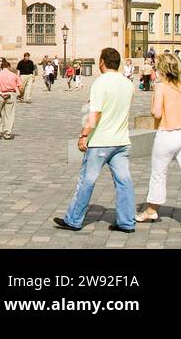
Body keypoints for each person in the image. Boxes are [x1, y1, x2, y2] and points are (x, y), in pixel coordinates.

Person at [55, 46, 135, 234]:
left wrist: (84, 134)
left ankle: (74, 219)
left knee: (87, 181)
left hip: (101, 140)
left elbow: (96, 113)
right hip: (122, 140)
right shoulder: (127, 83)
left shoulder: (101, 83)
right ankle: (126, 222)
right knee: (124, 182)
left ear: (102, 62)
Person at [135, 51, 181, 227]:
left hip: (167, 133)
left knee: (159, 173)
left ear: (163, 70)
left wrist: (152, 104)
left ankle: (151, 210)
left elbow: (156, 112)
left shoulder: (161, 87)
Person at [0, 59, 22, 140]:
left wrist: (0, 93)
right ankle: (7, 133)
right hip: (10, 95)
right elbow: (20, 87)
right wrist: (20, 94)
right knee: (9, 115)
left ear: (1, 67)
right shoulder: (14, 75)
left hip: (0, 95)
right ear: (9, 66)